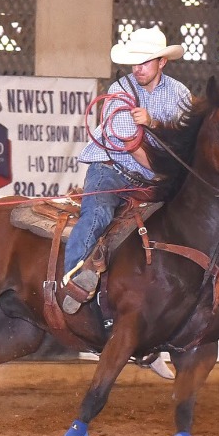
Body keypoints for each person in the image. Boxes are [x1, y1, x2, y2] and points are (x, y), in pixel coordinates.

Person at [61, 26, 192, 316]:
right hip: (112, 170)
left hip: (151, 178)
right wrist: (165, 178)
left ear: (162, 62)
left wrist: (154, 122)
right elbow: (130, 145)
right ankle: (71, 282)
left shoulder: (180, 94)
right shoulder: (120, 91)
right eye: (135, 61)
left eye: (145, 61)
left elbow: (185, 139)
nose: (138, 68)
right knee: (98, 215)